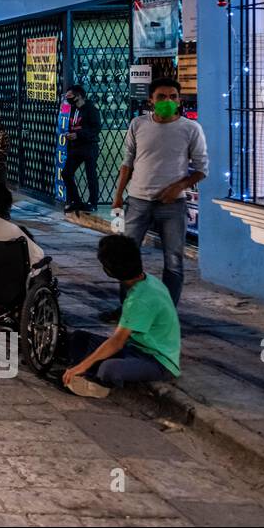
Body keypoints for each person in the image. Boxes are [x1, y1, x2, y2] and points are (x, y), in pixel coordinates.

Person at [108, 77, 207, 316]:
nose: (168, 101)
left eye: (173, 97)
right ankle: (128, 310)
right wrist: (119, 195)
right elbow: (127, 162)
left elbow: (202, 169)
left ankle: (166, 313)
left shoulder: (191, 129)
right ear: (151, 100)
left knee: (173, 260)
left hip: (173, 205)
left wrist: (179, 187)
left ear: (179, 100)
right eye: (161, 97)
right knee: (127, 257)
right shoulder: (138, 124)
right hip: (138, 200)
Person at [63, 234, 180, 397]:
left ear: (110, 272)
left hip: (156, 361)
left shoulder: (140, 300)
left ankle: (95, 382)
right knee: (79, 338)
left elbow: (117, 342)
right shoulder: (148, 280)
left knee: (109, 369)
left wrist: (82, 365)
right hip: (133, 348)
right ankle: (82, 372)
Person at [62, 84, 102, 213]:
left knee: (91, 175)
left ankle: (93, 202)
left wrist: (78, 134)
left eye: (70, 96)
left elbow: (96, 129)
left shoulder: (91, 109)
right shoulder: (73, 109)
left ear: (78, 96)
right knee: (66, 173)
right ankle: (75, 201)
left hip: (89, 146)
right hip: (75, 147)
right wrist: (69, 134)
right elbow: (72, 124)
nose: (67, 99)